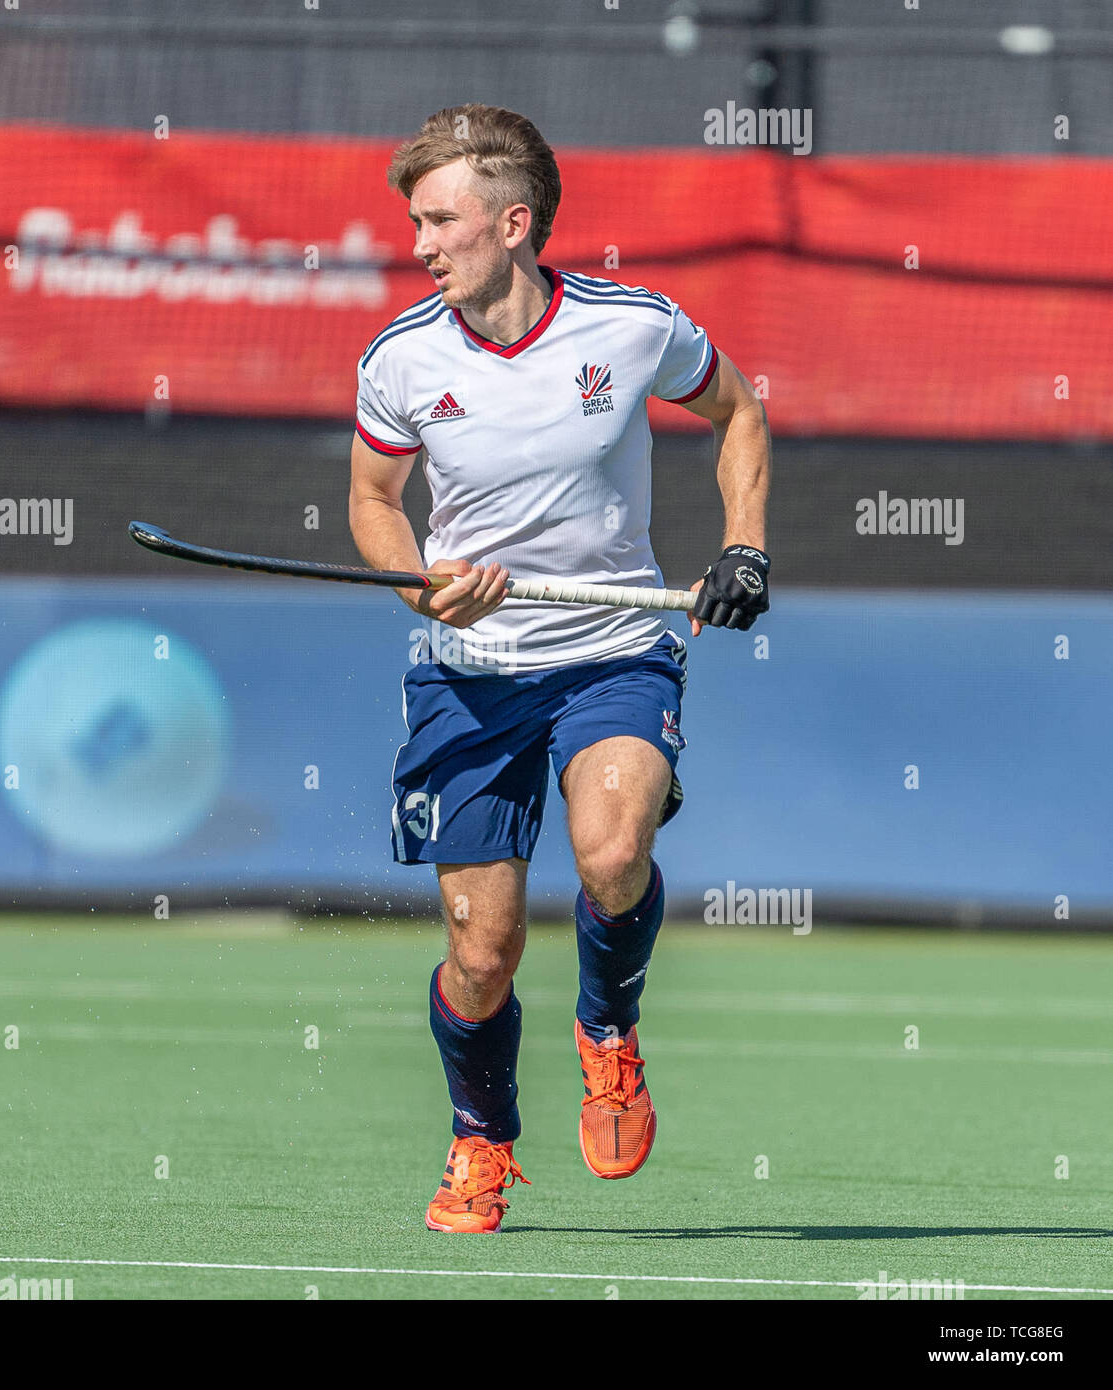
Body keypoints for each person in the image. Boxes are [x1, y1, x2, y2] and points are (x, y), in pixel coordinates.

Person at [348, 104, 771, 1233]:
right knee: (481, 953)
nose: (421, 242)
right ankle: (481, 1140)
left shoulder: (632, 328)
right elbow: (373, 502)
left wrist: (741, 546)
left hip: (614, 649)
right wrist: (423, 583)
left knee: (612, 849)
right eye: (415, 221)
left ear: (514, 221)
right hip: (467, 675)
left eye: (440, 219)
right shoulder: (399, 359)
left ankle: (607, 1027)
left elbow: (737, 411)